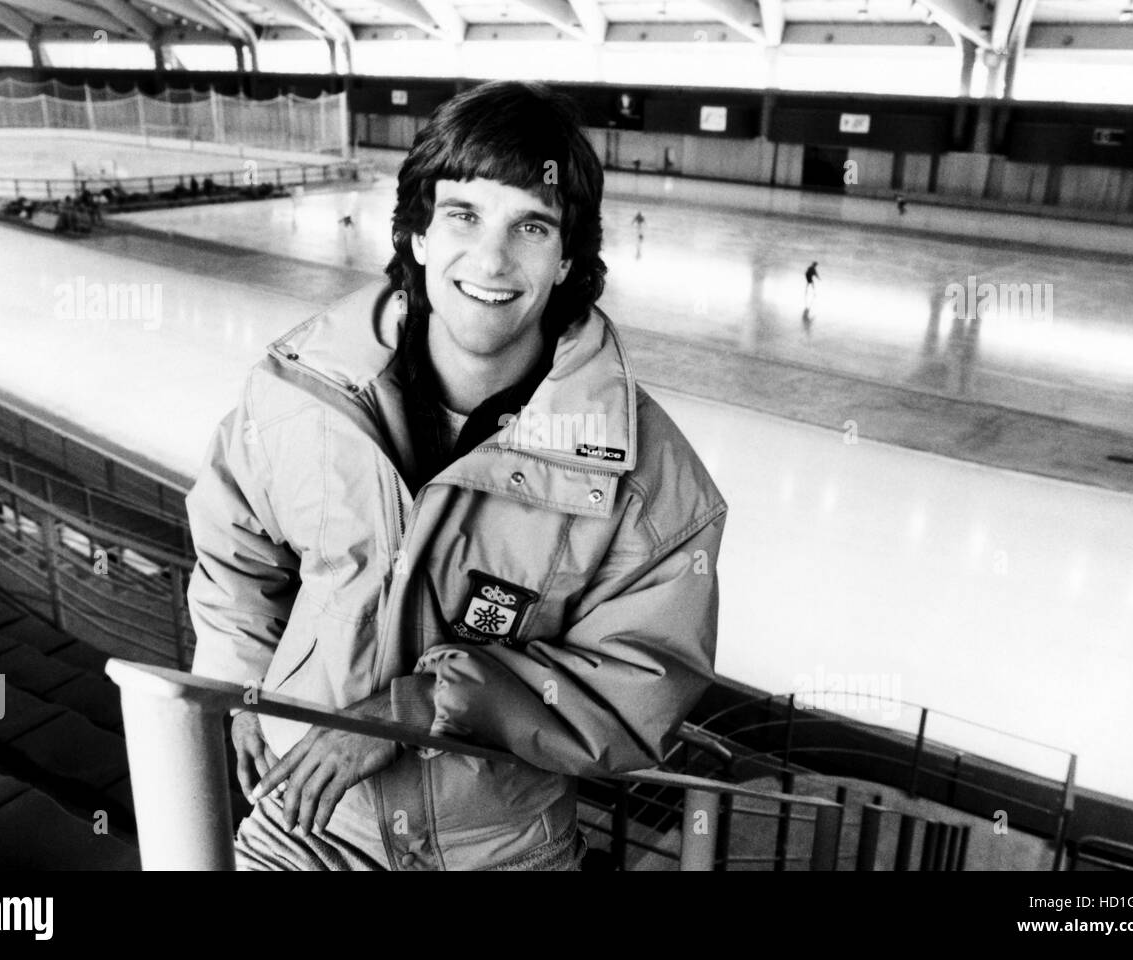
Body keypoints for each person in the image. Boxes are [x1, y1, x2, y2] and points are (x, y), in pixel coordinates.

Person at [186, 80, 727, 872]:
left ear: (567, 256)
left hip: (501, 853)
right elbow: (238, 553)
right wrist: (238, 686)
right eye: (464, 215)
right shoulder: (298, 395)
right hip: (312, 822)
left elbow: (635, 687)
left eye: (531, 226)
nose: (492, 259)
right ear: (417, 236)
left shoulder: (652, 482)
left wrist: (424, 704)